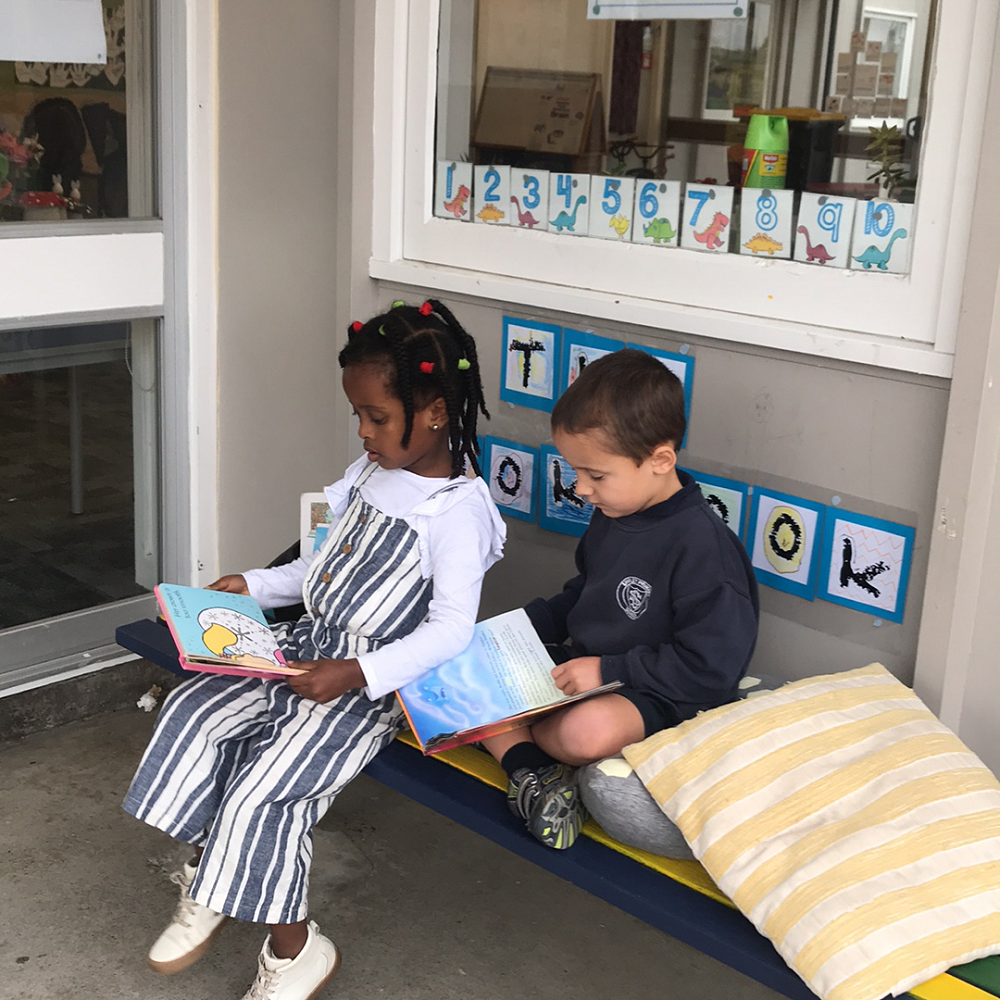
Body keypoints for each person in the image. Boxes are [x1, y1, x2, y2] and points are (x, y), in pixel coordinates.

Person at [123, 299, 505, 1000]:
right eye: (357, 415)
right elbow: (315, 569)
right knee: (195, 712)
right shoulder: (368, 476)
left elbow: (449, 630)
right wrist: (256, 585)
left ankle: (296, 951)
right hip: (301, 648)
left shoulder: (458, 514)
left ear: (436, 412)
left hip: (368, 685)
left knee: (265, 793)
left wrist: (355, 672)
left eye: (376, 418)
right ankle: (213, 876)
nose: (362, 432)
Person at [484, 348, 758, 850]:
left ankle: (529, 758)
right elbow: (584, 596)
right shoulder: (613, 513)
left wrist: (611, 670)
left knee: (586, 733)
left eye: (597, 475)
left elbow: (712, 668)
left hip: (660, 694)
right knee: (473, 682)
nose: (582, 489)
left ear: (660, 460)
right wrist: (519, 628)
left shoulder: (704, 549)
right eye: (576, 472)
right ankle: (533, 774)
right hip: (587, 671)